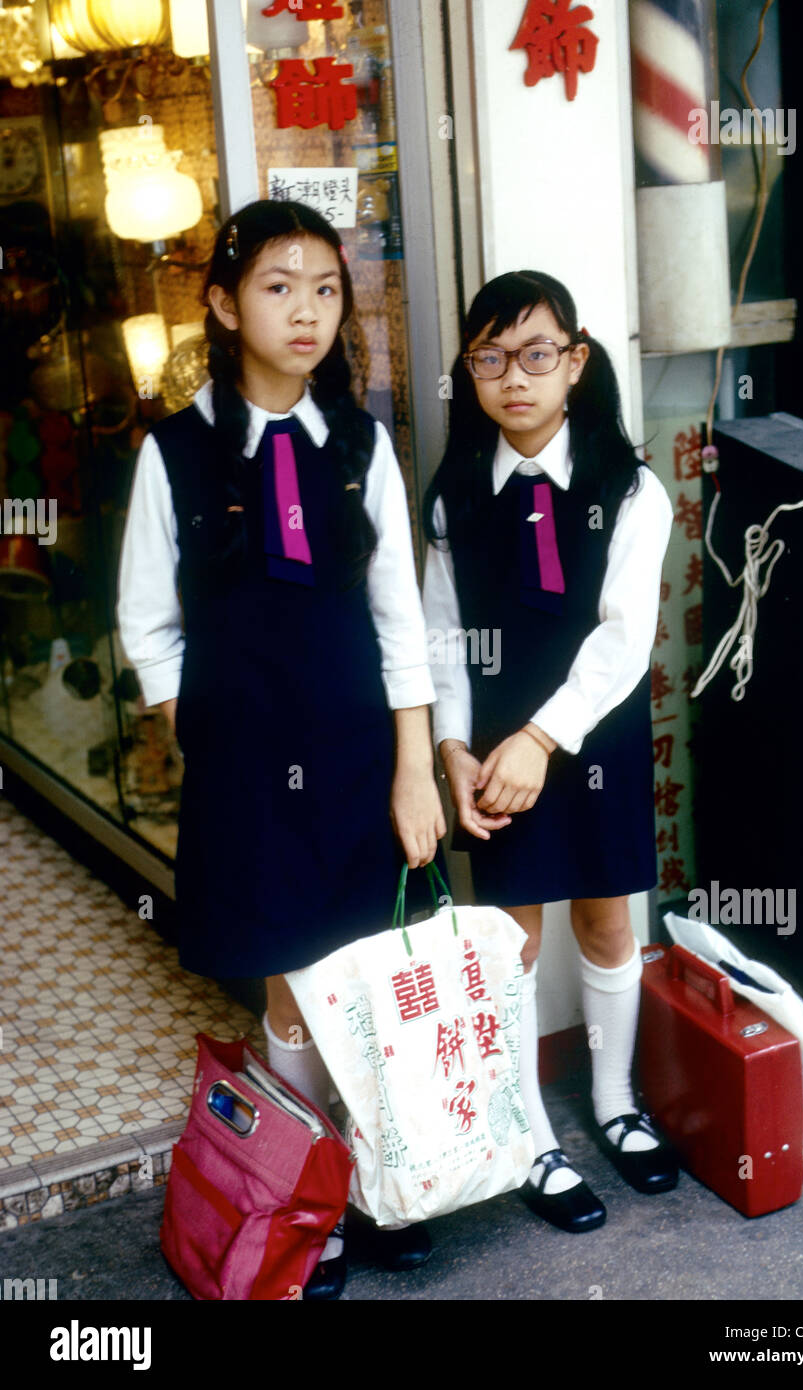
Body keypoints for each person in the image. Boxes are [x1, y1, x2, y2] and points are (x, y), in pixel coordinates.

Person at [117, 200, 445, 1298]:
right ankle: (312, 1203)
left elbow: (403, 618)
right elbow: (147, 625)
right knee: (292, 989)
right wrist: (202, 739)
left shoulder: (363, 444)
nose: (305, 310)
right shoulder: (175, 452)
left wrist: (415, 767)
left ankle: (366, 1183)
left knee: (362, 975)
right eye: (275, 285)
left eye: (324, 286)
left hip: (361, 757)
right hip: (249, 771)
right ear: (220, 302)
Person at [422, 270, 678, 1233]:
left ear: (575, 361)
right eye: (490, 358)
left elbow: (623, 638)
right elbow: (443, 635)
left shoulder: (629, 487)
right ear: (471, 372)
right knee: (512, 942)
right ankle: (528, 1134)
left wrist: (543, 737)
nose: (513, 378)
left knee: (609, 920)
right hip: (494, 752)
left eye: (536, 355)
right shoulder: (455, 497)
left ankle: (615, 1105)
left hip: (590, 738)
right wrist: (454, 747)